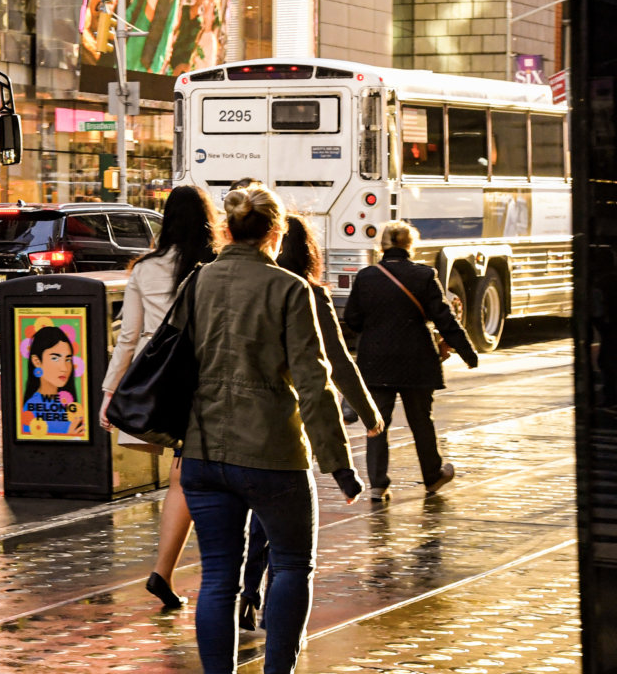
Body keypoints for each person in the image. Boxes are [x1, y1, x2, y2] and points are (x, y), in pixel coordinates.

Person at [178, 184, 362, 674]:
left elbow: (176, 361)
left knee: (218, 577)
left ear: (226, 230)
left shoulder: (198, 282)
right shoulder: (289, 288)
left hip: (203, 451)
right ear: (276, 233)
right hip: (272, 453)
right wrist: (339, 465)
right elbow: (314, 382)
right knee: (293, 565)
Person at [236, 214, 385, 635]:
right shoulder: (309, 293)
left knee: (257, 521)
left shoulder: (250, 285)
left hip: (240, 424)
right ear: (309, 253)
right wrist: (369, 413)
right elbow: (337, 361)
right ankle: (270, 611)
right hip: (286, 427)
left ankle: (248, 594)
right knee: (285, 531)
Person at [98, 183, 219, 610]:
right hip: (206, 377)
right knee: (207, 475)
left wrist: (110, 392)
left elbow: (127, 338)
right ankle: (216, 573)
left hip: (161, 382)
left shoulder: (145, 268)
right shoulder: (215, 266)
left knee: (181, 477)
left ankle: (164, 571)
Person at [344, 220, 480, 502]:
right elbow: (444, 318)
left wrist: (377, 326)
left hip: (376, 362)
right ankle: (432, 476)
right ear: (410, 245)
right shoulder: (424, 276)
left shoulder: (366, 277)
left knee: (377, 423)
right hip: (417, 361)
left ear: (382, 245)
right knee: (421, 422)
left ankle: (378, 484)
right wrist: (468, 352)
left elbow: (352, 319)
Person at [20, 326, 85, 437]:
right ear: (37, 361)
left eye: (68, 359)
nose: (64, 368)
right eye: (55, 358)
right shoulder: (31, 407)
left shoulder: (69, 403)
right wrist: (69, 437)